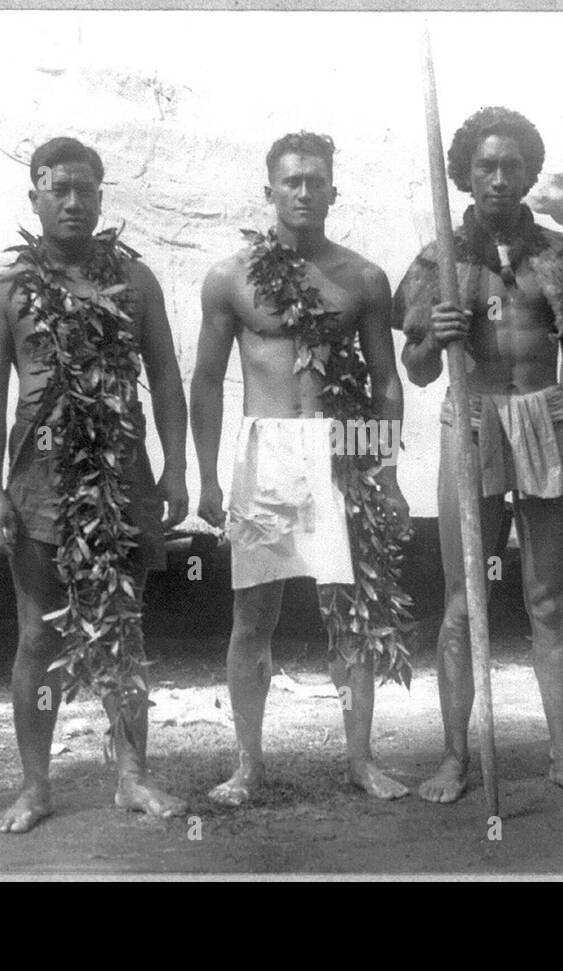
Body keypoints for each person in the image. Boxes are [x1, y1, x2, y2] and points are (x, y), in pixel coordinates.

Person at [394, 107, 563, 803]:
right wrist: (436, 334)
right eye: (485, 166)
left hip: (544, 418)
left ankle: (561, 754)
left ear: (529, 173)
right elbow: (419, 369)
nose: (497, 178)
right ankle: (455, 757)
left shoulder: (561, 255)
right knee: (463, 603)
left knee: (547, 600)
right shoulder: (441, 261)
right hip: (473, 418)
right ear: (463, 173)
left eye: (510, 166)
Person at [0, 137, 189, 832]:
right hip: (39, 477)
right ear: (34, 195)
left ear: (101, 197)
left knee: (124, 624)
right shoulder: (4, 293)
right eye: (57, 188)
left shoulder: (137, 281)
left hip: (123, 472)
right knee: (38, 634)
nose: (72, 202)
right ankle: (36, 785)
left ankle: (132, 776)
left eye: (85, 190)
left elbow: (165, 380)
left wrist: (176, 468)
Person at [192, 131, 411, 806]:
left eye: (316, 180)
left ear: (333, 191)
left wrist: (386, 470)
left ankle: (360, 758)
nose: (305, 191)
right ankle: (248, 764)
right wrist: (207, 477)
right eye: (292, 181)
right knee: (252, 618)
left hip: (339, 450)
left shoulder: (362, 278)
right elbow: (204, 381)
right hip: (267, 452)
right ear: (270, 191)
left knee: (351, 614)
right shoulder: (231, 277)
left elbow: (386, 380)